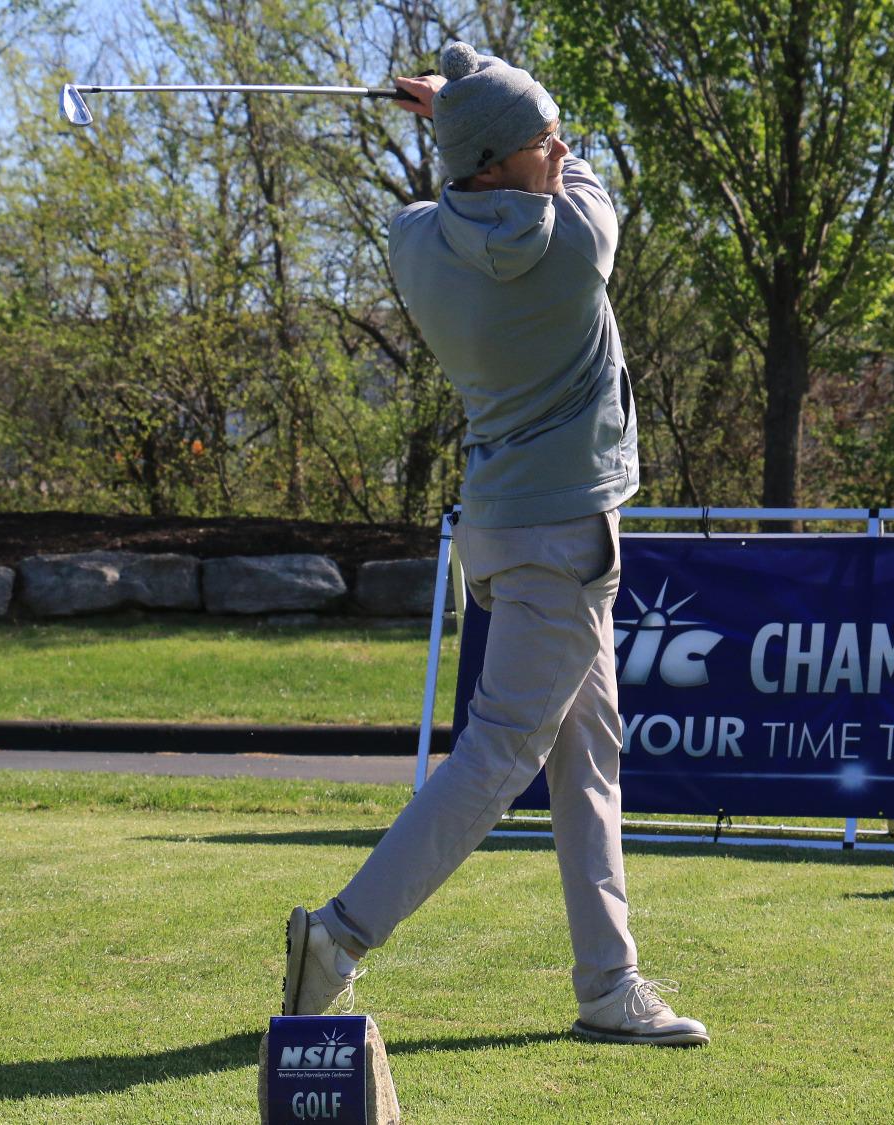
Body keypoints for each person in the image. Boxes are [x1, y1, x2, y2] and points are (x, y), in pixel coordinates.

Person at [280, 40, 707, 1048]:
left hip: (504, 528)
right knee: (497, 757)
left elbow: (482, 169)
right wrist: (466, 91)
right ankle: (335, 938)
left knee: (586, 755)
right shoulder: (573, 244)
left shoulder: (412, 237)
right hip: (564, 542)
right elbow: (581, 177)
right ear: (509, 161)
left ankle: (609, 983)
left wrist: (462, 99)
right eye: (543, 140)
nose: (559, 147)